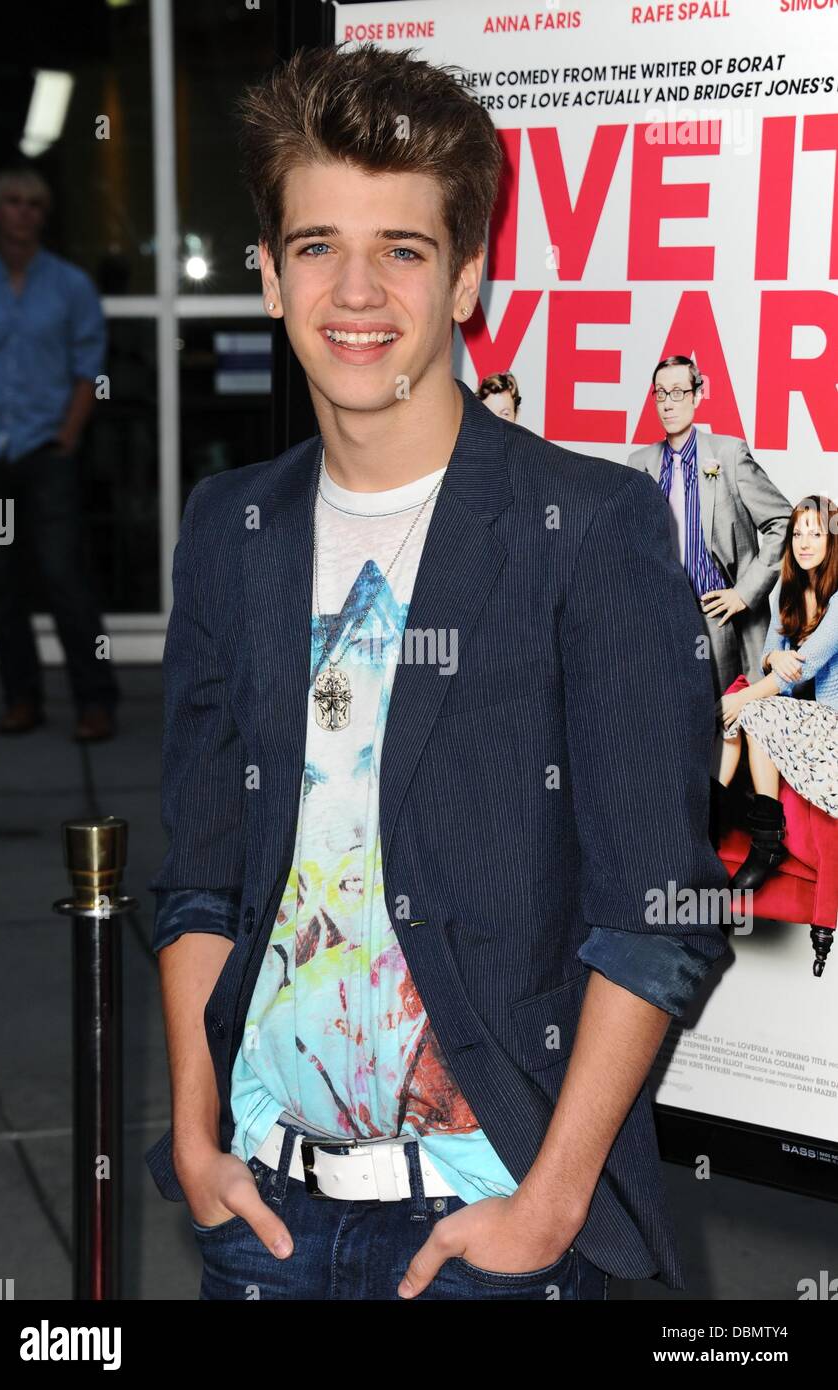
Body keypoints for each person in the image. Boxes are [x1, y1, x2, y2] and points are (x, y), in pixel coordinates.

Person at [144, 42, 731, 1302]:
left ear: (466, 277)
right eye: (315, 245)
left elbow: (659, 916)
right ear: (266, 272)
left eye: (402, 250)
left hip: (487, 1226)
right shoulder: (228, 528)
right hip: (263, 1215)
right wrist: (197, 1135)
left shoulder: (592, 529)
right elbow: (196, 876)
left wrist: (549, 1203)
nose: (356, 291)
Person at [0, 167, 119, 740]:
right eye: (12, 202)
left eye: (34, 203)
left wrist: (67, 439)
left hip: (45, 453)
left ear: (43, 215)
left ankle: (95, 699)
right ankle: (21, 698)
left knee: (63, 576)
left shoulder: (70, 286)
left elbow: (89, 367)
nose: (23, 212)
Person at [626, 358, 793, 713]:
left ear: (697, 395)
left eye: (677, 392)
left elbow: (783, 522)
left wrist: (743, 593)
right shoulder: (639, 463)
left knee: (722, 722)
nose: (668, 402)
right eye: (660, 394)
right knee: (666, 715)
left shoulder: (728, 455)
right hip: (663, 618)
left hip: (719, 619)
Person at [716, 496, 838, 889]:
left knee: (747, 709)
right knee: (744, 712)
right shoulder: (783, 590)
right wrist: (772, 656)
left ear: (832, 540)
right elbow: (772, 656)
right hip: (794, 710)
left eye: (815, 534)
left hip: (830, 719)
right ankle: (708, 827)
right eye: (797, 533)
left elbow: (805, 665)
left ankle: (767, 841)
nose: (804, 543)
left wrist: (742, 697)